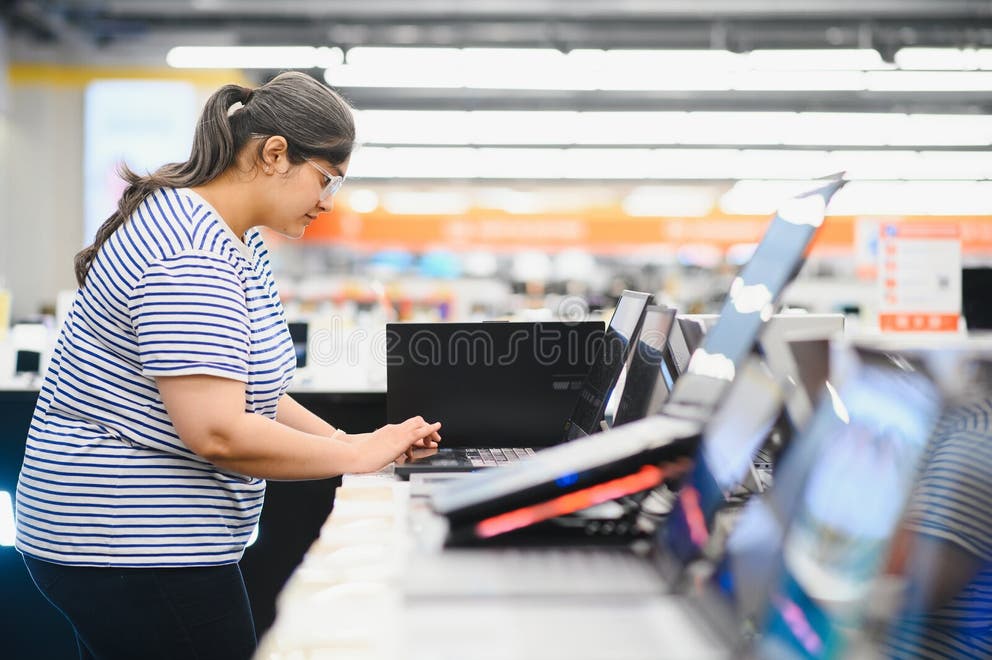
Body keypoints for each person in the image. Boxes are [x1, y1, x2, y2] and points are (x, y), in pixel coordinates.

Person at [14, 71, 441, 660]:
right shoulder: (190, 253)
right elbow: (218, 430)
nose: (327, 202)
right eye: (326, 180)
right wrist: (354, 455)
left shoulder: (236, 241)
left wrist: (358, 443)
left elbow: (248, 392)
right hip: (129, 546)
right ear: (273, 154)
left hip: (131, 544)